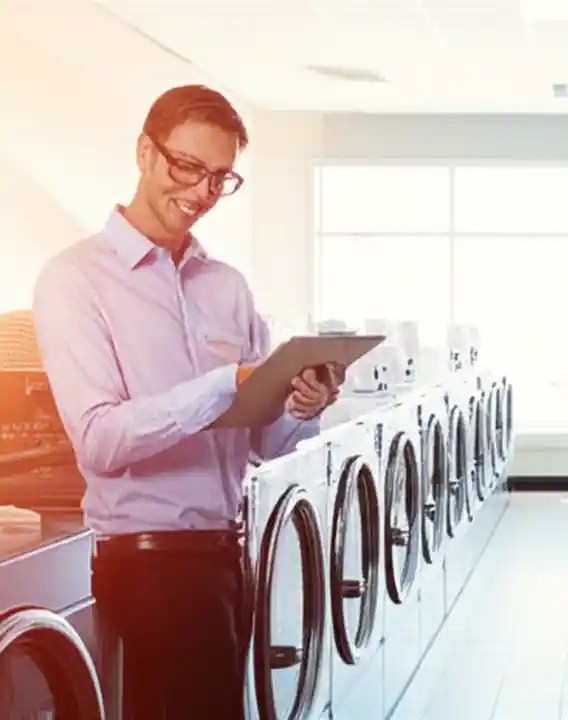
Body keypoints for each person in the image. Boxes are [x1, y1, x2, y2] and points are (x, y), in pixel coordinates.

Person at [31, 84, 340, 719]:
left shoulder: (226, 286)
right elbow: (99, 440)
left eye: (220, 178)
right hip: (146, 563)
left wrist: (301, 404)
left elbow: (262, 442)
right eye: (188, 167)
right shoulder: (75, 278)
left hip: (226, 554)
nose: (202, 193)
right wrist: (226, 381)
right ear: (145, 152)